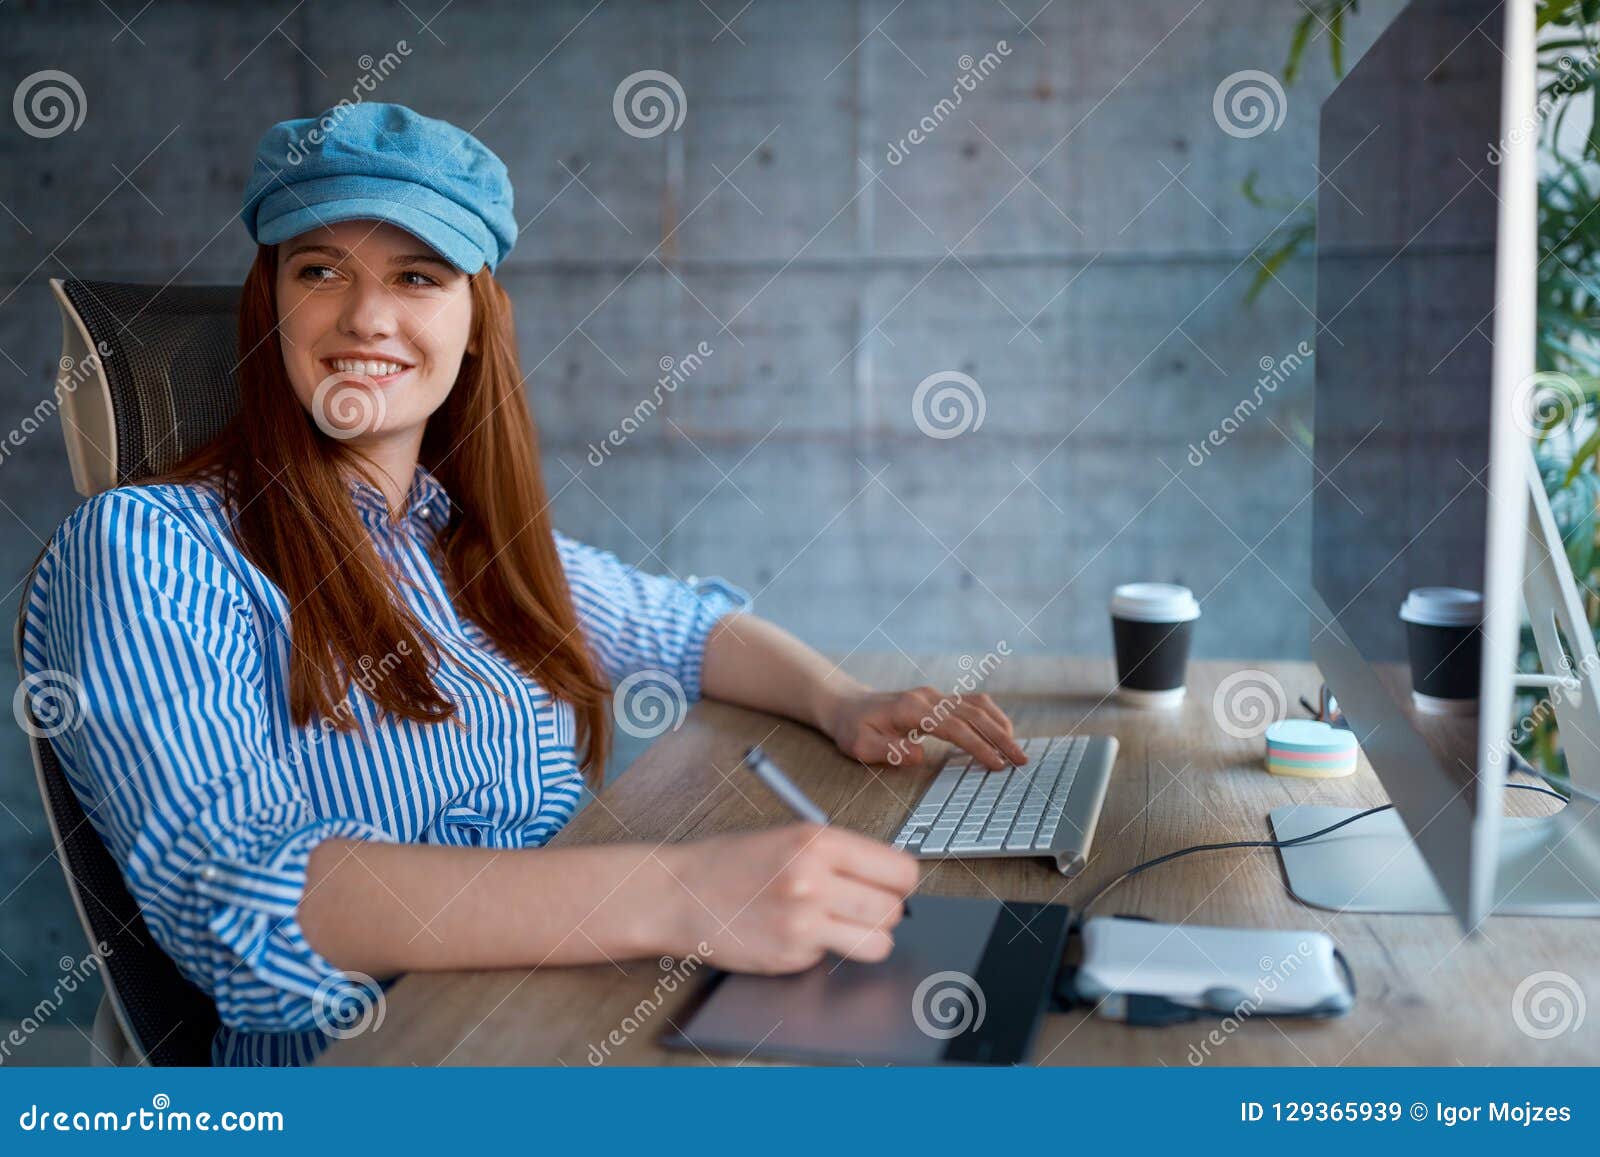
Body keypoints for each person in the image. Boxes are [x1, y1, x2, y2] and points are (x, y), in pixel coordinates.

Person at [19, 103, 1028, 1066]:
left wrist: (839, 699)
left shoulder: (460, 542)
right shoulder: (148, 547)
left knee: (994, 1020)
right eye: (319, 267)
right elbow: (238, 898)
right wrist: (683, 892)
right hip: (394, 1068)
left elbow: (685, 629)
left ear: (475, 321)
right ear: (271, 301)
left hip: (574, 1005)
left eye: (419, 276)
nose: (365, 313)